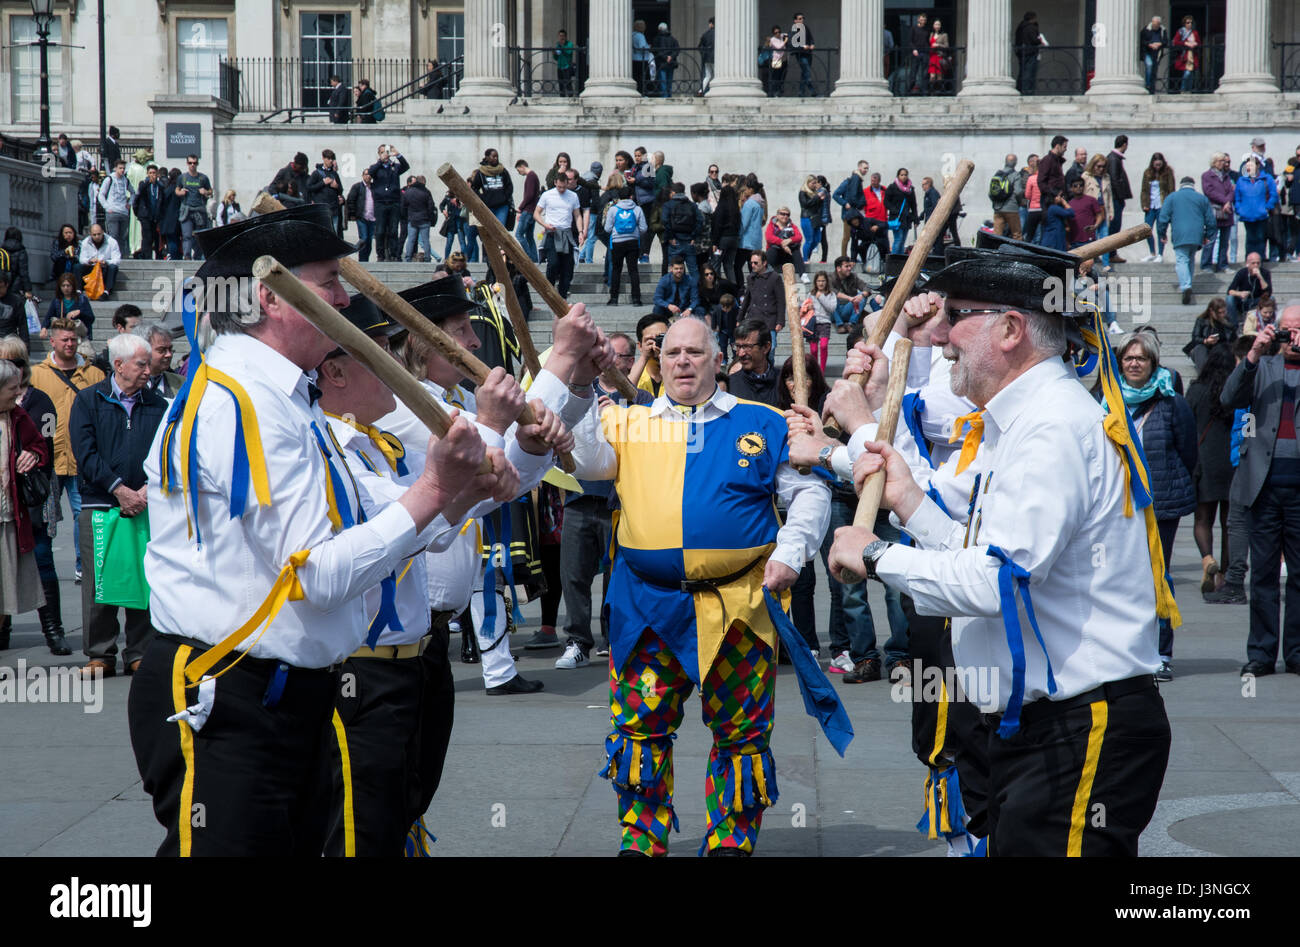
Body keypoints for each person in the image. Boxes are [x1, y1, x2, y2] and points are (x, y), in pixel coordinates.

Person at [127, 203, 515, 857]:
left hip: (283, 691)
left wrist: (447, 495)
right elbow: (316, 574)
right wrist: (433, 492)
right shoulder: (243, 400)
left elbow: (374, 525)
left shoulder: (279, 396)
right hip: (231, 693)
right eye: (330, 280)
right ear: (268, 297)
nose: (345, 296)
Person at [827, 238, 1175, 856]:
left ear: (1011, 327)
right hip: (1042, 726)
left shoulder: (1050, 427)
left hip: (1079, 725)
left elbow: (997, 580)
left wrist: (878, 556)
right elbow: (977, 545)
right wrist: (907, 500)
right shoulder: (1018, 421)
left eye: (958, 315)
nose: (941, 336)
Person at [570, 316, 834, 856]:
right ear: (658, 362)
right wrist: (576, 387)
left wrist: (790, 553)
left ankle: (730, 843)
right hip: (646, 607)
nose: (683, 361)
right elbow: (584, 462)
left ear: (719, 360)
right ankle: (641, 841)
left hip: (738, 607)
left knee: (740, 732)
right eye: (672, 354)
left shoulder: (762, 422)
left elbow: (810, 492)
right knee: (640, 728)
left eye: (694, 352)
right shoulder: (629, 422)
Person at [386, 276, 595, 698]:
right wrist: (564, 357)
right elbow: (479, 469)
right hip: (391, 639)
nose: (476, 343)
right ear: (420, 341)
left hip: (429, 633)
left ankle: (499, 669)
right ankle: (498, 669)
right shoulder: (404, 406)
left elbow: (506, 479)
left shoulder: (456, 399)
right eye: (461, 330)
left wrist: (569, 391)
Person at [69, 332, 167, 678]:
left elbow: (165, 451)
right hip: (100, 503)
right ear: (119, 365)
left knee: (143, 577)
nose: (148, 369)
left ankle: (139, 651)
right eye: (142, 363)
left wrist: (143, 490)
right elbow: (85, 452)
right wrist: (118, 489)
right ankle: (100, 654)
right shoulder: (89, 400)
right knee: (99, 582)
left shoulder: (158, 404)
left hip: (145, 502)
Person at [1222, 308, 1300, 676]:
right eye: (1287, 331)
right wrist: (1255, 353)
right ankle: (1262, 653)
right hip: (1264, 488)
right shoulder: (1264, 367)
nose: (1292, 339)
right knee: (1264, 575)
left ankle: (1297, 652)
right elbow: (1229, 398)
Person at [1114, 331, 1197, 681]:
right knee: (1119, 577)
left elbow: (1189, 452)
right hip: (1116, 504)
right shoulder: (1107, 396)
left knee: (1157, 576)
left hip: (1161, 502)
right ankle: (1124, 650)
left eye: (1141, 358)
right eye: (1129, 358)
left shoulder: (1171, 401)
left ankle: (1161, 651)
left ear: (1153, 363)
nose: (1134, 363)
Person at [0, 336, 67, 653]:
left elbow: (46, 446)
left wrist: (34, 456)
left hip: (31, 497)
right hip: (7, 501)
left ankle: (54, 631)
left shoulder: (36, 402)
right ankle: (4, 634)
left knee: (41, 558)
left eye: (13, 362)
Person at [30, 317, 105, 585]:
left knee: (83, 516)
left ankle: (82, 565)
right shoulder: (37, 374)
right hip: (49, 459)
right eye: (65, 339)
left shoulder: (95, 375)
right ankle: (43, 565)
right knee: (45, 517)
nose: (70, 344)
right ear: (52, 341)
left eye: (73, 339)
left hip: (84, 458)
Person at [0, 357, 49, 650]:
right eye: (11, 389)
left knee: (5, 594)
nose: (18, 394)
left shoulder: (17, 417)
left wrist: (33, 455)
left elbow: (40, 447)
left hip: (7, 518)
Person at [1185, 344, 1238, 600]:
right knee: (1229, 525)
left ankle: (1207, 560)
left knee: (1202, 520)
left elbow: (1186, 423)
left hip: (1203, 461)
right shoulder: (1236, 390)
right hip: (1231, 462)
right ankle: (1225, 576)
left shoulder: (1196, 390)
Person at [1156, 176, 1216, 306]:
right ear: (1193, 185)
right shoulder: (1202, 198)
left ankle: (1186, 286)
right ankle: (1188, 284)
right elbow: (1211, 220)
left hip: (1180, 233)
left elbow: (1163, 217)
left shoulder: (1172, 197)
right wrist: (1208, 235)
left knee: (1181, 259)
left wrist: (1162, 233)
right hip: (1197, 235)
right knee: (1191, 258)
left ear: (1181, 185)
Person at [536, 173, 583, 299]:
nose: (561, 189)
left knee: (567, 267)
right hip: (552, 232)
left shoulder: (573, 196)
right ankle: (549, 292)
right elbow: (536, 213)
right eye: (559, 187)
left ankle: (562, 296)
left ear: (567, 184)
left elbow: (577, 215)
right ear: (556, 182)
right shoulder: (547, 195)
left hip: (567, 233)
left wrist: (580, 232)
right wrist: (545, 225)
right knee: (553, 263)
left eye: (564, 187)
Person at [604, 185, 647, 307]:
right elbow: (644, 228)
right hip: (633, 242)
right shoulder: (637, 209)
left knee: (616, 270)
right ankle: (636, 299)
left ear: (619, 197)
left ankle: (613, 299)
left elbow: (607, 229)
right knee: (633, 270)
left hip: (617, 243)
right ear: (631, 196)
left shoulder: (613, 209)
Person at [368, 145, 410, 262]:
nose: (385, 155)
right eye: (382, 153)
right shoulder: (376, 167)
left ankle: (394, 254)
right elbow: (370, 172)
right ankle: (380, 254)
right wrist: (380, 161)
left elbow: (406, 166)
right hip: (380, 203)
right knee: (380, 230)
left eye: (386, 152)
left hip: (394, 202)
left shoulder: (394, 167)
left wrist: (398, 155)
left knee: (393, 230)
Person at [726, 318, 780, 405]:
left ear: (766, 347)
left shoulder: (783, 383)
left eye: (747, 346)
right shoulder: (730, 385)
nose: (740, 354)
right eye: (738, 346)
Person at [1235, 157, 1278, 260]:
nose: (1249, 168)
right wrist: (1240, 210)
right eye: (1247, 166)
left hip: (1261, 215)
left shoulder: (1266, 179)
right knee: (1250, 240)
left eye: (1251, 165)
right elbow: (1237, 198)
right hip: (1246, 216)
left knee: (1260, 239)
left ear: (1258, 166)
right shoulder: (1241, 180)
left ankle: (1259, 261)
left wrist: (1267, 207)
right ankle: (1249, 262)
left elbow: (1274, 195)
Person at [1139, 153, 1176, 262]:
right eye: (1156, 164)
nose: (1157, 166)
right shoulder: (1147, 172)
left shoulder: (1168, 172)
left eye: (1159, 164)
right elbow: (1144, 190)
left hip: (1162, 205)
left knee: (1161, 230)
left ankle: (1160, 254)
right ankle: (1152, 253)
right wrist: (1144, 205)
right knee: (1146, 229)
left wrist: (1169, 207)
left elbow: (1171, 190)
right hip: (1150, 206)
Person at [175, 155, 212, 260]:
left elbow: (210, 191)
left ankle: (197, 255)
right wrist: (181, 192)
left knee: (199, 236)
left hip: (199, 210)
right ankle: (187, 255)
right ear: (187, 164)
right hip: (186, 210)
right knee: (186, 235)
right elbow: (176, 190)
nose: (192, 165)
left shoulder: (203, 178)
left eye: (194, 163)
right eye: (190, 163)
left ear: (197, 164)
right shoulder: (182, 177)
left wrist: (205, 192)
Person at [738, 251, 783, 336]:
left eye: (756, 263)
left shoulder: (775, 277)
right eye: (751, 263)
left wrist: (780, 321)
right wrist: (739, 319)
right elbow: (747, 299)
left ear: (764, 263)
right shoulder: (751, 277)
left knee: (771, 347)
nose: (752, 265)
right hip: (753, 319)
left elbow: (780, 301)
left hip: (769, 320)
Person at [97, 160, 135, 253]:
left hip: (123, 212)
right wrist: (107, 207)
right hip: (112, 211)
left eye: (123, 168)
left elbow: (133, 192)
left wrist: (129, 203)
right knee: (113, 236)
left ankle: (121, 257)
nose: (122, 170)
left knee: (123, 237)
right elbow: (101, 194)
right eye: (120, 168)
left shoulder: (126, 180)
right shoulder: (109, 179)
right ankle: (112, 255)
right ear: (115, 168)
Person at [1225, 252, 1272, 329]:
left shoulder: (1265, 273)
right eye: (1253, 263)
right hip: (1243, 301)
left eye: (1258, 263)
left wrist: (1260, 277)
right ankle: (1233, 326)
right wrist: (1240, 293)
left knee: (1271, 299)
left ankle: (1267, 324)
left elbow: (1268, 291)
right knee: (1229, 298)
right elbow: (1230, 291)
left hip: (1258, 301)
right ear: (1247, 263)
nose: (1256, 265)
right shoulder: (1242, 272)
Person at [138, 322, 182, 398]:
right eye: (162, 350)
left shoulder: (183, 383)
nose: (169, 354)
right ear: (143, 350)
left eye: (170, 349)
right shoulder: (127, 384)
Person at [308, 150, 346, 238]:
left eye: (332, 159)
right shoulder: (316, 173)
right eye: (328, 159)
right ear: (324, 159)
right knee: (321, 235)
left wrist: (336, 187)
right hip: (321, 210)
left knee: (334, 235)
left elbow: (341, 190)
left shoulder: (334, 174)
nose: (330, 161)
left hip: (333, 210)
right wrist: (323, 183)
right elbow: (309, 187)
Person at [401, 175, 437, 263]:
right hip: (424, 219)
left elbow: (403, 206)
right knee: (425, 241)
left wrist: (407, 217)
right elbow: (431, 206)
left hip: (412, 219)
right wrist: (429, 217)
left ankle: (408, 258)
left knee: (411, 240)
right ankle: (427, 258)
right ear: (423, 182)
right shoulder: (426, 192)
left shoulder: (408, 192)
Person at [1107, 136, 1133, 258]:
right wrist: (1120, 197)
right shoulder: (1114, 159)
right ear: (1124, 145)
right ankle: (1112, 253)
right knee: (1114, 226)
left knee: (1115, 227)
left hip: (1116, 199)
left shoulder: (1115, 158)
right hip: (1116, 199)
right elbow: (1114, 179)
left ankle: (1112, 253)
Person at [132, 164, 166, 259]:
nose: (152, 175)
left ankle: (158, 257)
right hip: (145, 215)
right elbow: (137, 198)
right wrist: (138, 213)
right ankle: (146, 257)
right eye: (150, 173)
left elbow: (163, 201)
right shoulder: (143, 184)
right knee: (147, 236)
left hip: (156, 216)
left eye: (154, 173)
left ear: (157, 174)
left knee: (156, 236)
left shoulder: (160, 186)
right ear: (147, 174)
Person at [763, 205, 806, 279]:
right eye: (782, 214)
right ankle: (766, 273)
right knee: (773, 248)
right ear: (777, 215)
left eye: (787, 214)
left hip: (788, 256)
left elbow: (799, 237)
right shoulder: (772, 225)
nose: (785, 216)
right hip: (775, 256)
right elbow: (769, 238)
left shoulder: (792, 226)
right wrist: (783, 244)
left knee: (796, 249)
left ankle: (803, 275)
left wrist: (790, 240)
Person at [805, 272, 836, 372]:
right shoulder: (811, 294)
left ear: (826, 282)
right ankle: (815, 370)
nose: (821, 283)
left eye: (823, 281)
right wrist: (807, 307)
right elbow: (803, 307)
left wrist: (821, 297)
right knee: (813, 349)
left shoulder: (831, 294)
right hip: (812, 323)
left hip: (825, 323)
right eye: (818, 281)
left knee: (823, 346)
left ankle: (821, 371)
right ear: (815, 282)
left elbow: (832, 309)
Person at [653, 256, 699, 320]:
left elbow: (695, 299)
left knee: (699, 310)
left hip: (684, 308)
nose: (679, 271)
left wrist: (689, 309)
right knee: (657, 308)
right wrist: (668, 306)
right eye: (676, 268)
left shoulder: (690, 280)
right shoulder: (664, 280)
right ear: (671, 269)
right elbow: (657, 298)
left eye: (681, 268)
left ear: (684, 268)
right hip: (668, 309)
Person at [885, 168, 919, 255]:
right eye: (902, 175)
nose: (904, 177)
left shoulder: (910, 189)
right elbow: (886, 202)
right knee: (898, 239)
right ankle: (893, 260)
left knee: (903, 241)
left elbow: (913, 205)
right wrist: (894, 210)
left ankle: (900, 262)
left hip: (906, 218)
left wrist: (915, 219)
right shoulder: (892, 187)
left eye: (905, 175)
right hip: (897, 218)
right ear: (898, 176)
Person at [989, 155, 1022, 239]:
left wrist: (996, 203)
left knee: (997, 235)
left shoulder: (997, 174)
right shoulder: (1016, 175)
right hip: (1012, 208)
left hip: (998, 209)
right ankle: (1017, 252)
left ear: (1005, 162)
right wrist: (1018, 203)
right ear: (1015, 163)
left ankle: (995, 251)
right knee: (1016, 234)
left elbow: (990, 193)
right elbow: (1018, 192)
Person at [514, 159, 541, 263]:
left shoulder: (530, 176)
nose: (519, 173)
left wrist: (520, 208)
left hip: (528, 210)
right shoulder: (534, 176)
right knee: (529, 236)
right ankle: (534, 259)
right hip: (532, 211)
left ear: (522, 166)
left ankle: (529, 259)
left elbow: (529, 195)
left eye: (518, 170)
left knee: (519, 235)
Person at [1014, 12, 1044, 94]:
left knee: (1022, 72)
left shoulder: (1020, 27)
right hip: (1030, 52)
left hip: (1021, 52)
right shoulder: (1031, 27)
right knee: (1029, 72)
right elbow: (1034, 40)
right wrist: (1041, 40)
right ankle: (1027, 90)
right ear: (1033, 18)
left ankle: (1020, 89)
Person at [1171, 16, 1200, 93]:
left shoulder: (1195, 33)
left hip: (1193, 55)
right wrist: (1185, 43)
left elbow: (1199, 43)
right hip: (1184, 55)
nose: (1190, 24)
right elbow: (1175, 42)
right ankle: (1183, 89)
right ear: (1184, 23)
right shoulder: (1181, 32)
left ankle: (1189, 90)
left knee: (1190, 73)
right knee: (1187, 73)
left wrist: (1195, 44)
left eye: (1191, 22)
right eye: (1188, 22)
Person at [1141, 16, 1168, 93]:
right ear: (1152, 22)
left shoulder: (1163, 30)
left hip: (1157, 53)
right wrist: (1150, 44)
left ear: (1159, 24)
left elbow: (1166, 41)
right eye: (1154, 24)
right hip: (1147, 52)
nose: (1155, 26)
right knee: (1149, 65)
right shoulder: (1146, 29)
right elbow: (1142, 41)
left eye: (1157, 25)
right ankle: (1148, 85)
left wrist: (1159, 44)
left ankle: (1152, 89)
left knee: (1154, 70)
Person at [652, 22, 679, 98]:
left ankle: (664, 97)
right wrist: (671, 57)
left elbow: (656, 50)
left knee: (663, 81)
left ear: (659, 29)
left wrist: (665, 57)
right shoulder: (673, 39)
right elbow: (677, 49)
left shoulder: (657, 39)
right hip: (671, 62)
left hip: (662, 63)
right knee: (669, 81)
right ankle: (669, 96)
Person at [927, 19, 950, 93]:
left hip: (939, 56)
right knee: (932, 76)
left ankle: (938, 91)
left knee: (939, 76)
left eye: (938, 24)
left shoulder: (944, 35)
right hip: (932, 56)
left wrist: (938, 45)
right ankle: (931, 91)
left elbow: (947, 46)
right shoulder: (931, 34)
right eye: (936, 24)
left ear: (940, 26)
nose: (937, 26)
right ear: (933, 26)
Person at [765, 25, 788, 97]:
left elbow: (787, 34)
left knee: (783, 76)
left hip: (784, 59)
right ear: (773, 33)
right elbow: (779, 47)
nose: (778, 34)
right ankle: (774, 92)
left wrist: (786, 35)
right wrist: (785, 41)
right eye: (776, 33)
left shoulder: (781, 36)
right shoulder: (773, 39)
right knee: (776, 76)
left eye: (779, 32)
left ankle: (780, 91)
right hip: (776, 60)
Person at [632, 20, 653, 96]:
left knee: (636, 77)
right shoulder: (640, 36)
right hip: (641, 59)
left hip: (634, 59)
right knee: (644, 77)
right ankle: (643, 93)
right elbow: (642, 47)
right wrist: (649, 47)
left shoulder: (632, 35)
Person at [553, 29, 577, 94]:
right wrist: (554, 53)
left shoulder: (570, 44)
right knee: (561, 84)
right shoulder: (558, 45)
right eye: (560, 36)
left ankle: (570, 97)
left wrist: (562, 46)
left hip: (567, 66)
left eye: (563, 36)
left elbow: (569, 52)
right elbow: (556, 58)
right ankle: (562, 97)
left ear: (565, 37)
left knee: (568, 83)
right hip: (560, 66)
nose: (561, 37)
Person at [698, 18, 715, 95]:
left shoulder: (705, 34)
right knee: (717, 75)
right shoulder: (720, 34)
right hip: (716, 58)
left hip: (707, 58)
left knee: (707, 75)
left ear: (711, 24)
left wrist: (704, 54)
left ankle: (701, 91)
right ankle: (714, 91)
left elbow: (699, 47)